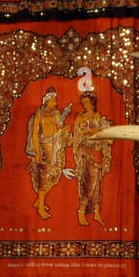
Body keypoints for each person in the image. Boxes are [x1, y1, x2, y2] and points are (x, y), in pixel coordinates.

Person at [24, 88, 72, 220]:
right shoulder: (39, 113)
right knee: (43, 176)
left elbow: (58, 128)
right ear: (47, 100)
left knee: (56, 175)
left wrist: (64, 128)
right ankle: (40, 207)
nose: (56, 102)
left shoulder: (56, 113)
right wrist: (38, 152)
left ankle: (39, 201)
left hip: (54, 147)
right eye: (54, 99)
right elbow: (35, 133)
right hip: (44, 146)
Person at [70, 90, 112, 225]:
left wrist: (97, 133)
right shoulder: (80, 117)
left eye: (87, 102)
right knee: (89, 184)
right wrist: (89, 133)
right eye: (83, 103)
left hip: (98, 152)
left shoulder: (98, 116)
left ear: (93, 103)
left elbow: (102, 132)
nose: (85, 105)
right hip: (87, 152)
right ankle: (81, 211)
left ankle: (96, 212)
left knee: (98, 186)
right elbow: (78, 135)